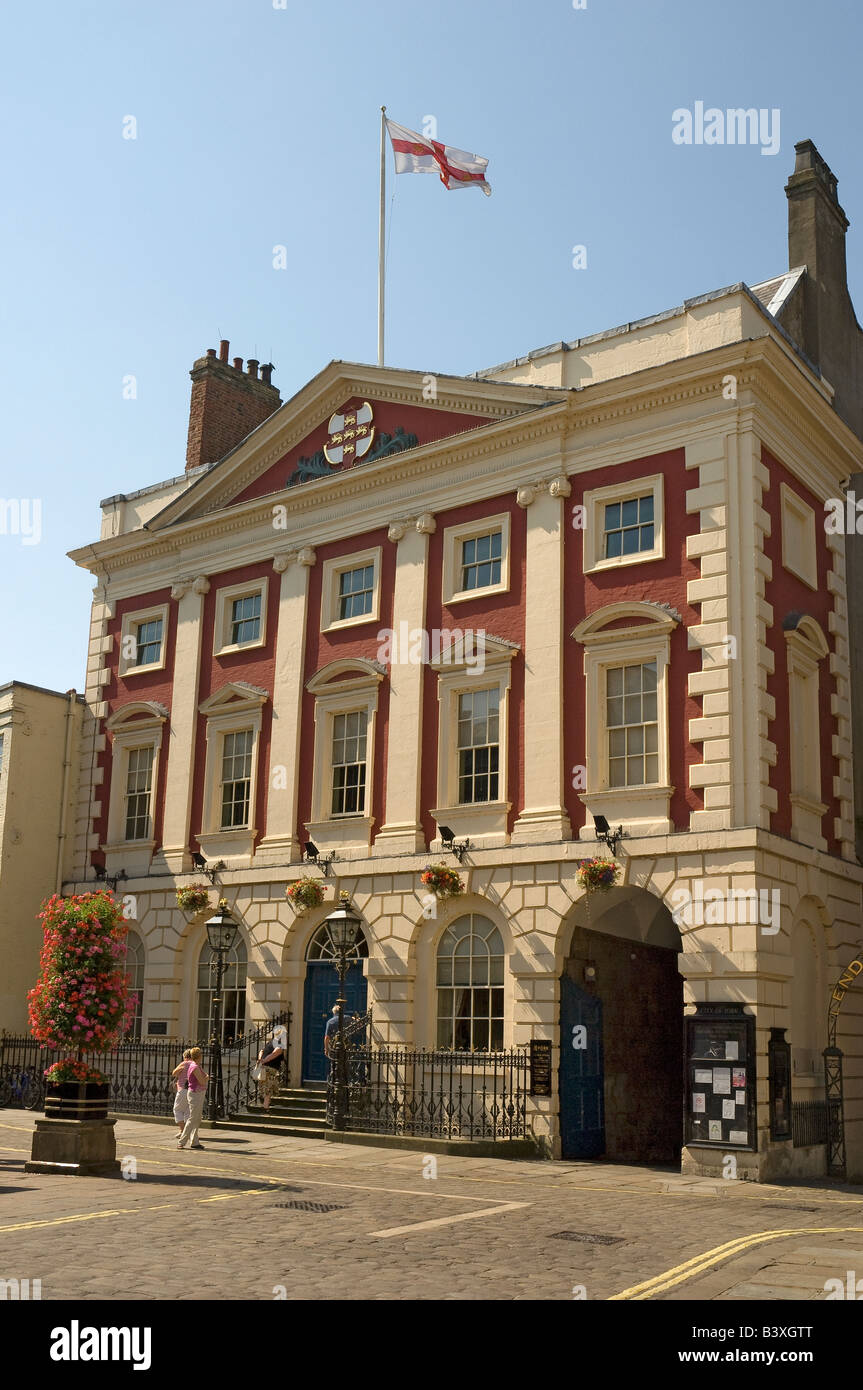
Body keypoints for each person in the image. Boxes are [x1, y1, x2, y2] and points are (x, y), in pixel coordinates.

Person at [177, 1047, 209, 1150]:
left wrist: (206, 1077)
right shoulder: (195, 1067)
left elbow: (204, 1077)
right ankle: (181, 1141)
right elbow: (203, 1081)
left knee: (197, 1118)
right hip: (195, 1094)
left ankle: (194, 1141)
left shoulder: (196, 1066)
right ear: (199, 1056)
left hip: (198, 1094)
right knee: (192, 1118)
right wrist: (206, 1078)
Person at [256, 1026, 286, 1110]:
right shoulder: (279, 1043)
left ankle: (267, 1104)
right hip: (270, 1069)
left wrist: (260, 1059)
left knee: (268, 1087)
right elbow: (275, 1052)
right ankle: (265, 1107)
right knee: (268, 1088)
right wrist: (265, 1060)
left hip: (264, 1068)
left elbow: (261, 1051)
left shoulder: (270, 1042)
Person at [171, 1049, 192, 1138]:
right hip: (191, 1090)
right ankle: (188, 1132)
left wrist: (179, 1068)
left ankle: (182, 1131)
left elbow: (174, 1073)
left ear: (185, 1057)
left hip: (183, 1089)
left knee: (177, 1110)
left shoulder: (185, 1063)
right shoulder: (195, 1064)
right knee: (187, 1112)